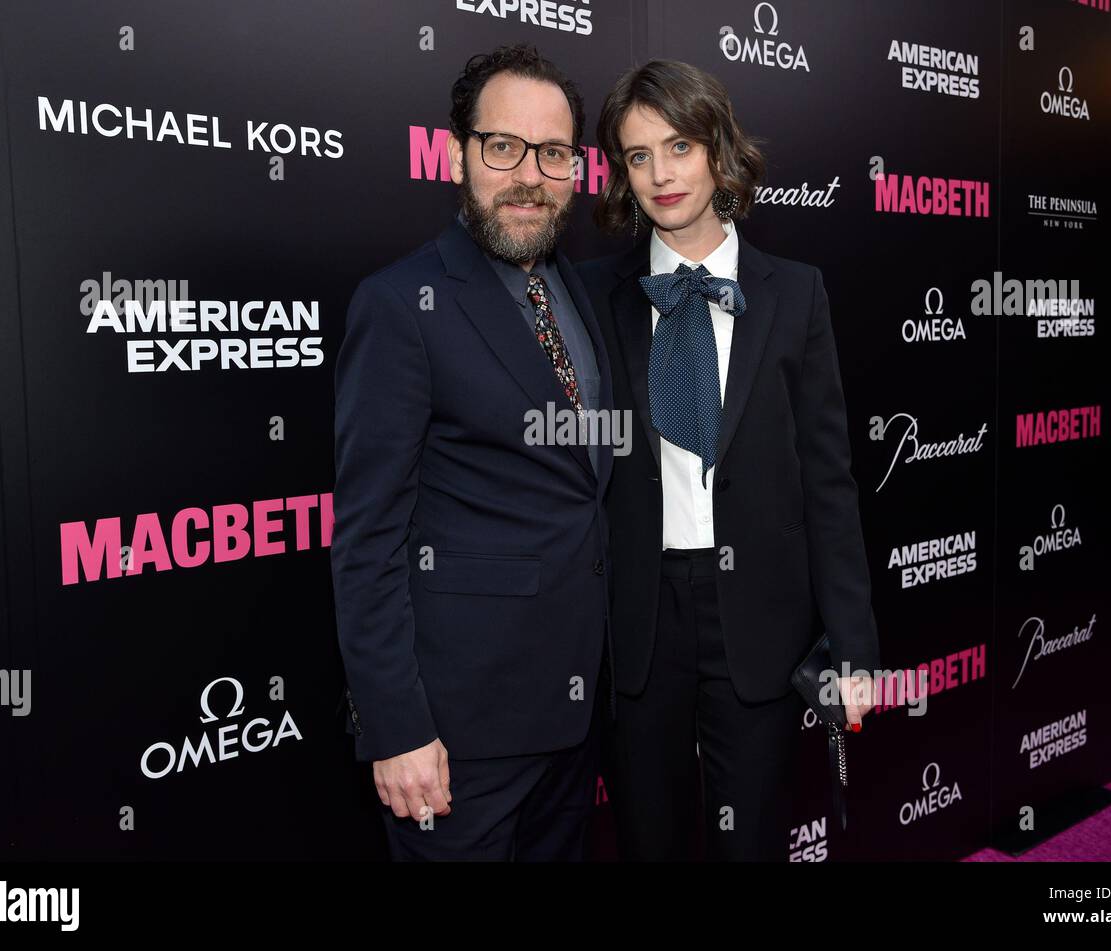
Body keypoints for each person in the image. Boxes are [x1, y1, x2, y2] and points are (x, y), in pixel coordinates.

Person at [577, 59, 881, 861]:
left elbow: (829, 480)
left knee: (751, 844)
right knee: (648, 839)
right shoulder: (593, 297)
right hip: (639, 620)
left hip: (759, 617)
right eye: (638, 156)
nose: (661, 174)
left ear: (718, 148)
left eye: (678, 146)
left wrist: (852, 649)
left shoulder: (796, 294)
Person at [331, 43, 613, 861]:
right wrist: (397, 727)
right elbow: (367, 539)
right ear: (459, 154)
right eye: (504, 148)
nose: (530, 175)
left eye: (554, 153)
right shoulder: (400, 304)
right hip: (457, 740)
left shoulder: (578, 290)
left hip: (575, 717)